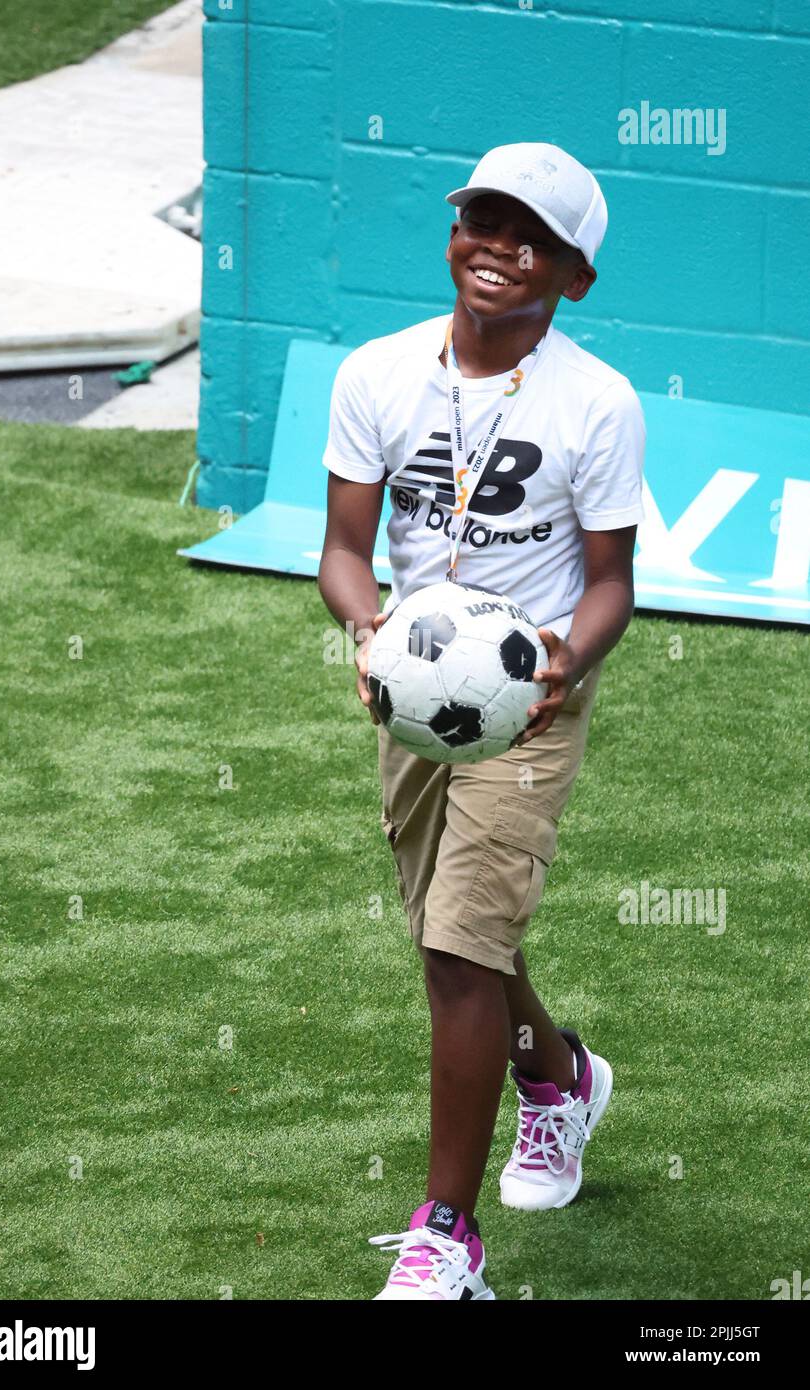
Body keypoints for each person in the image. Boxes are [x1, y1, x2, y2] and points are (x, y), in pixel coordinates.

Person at [318, 142, 645, 1301]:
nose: (496, 249)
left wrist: (564, 658)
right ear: (452, 231)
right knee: (446, 931)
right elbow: (343, 554)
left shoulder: (595, 402)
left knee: (458, 950)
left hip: (532, 693)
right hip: (413, 688)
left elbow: (610, 580)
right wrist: (367, 632)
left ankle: (445, 1236)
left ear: (573, 276)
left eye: (531, 238)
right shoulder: (375, 373)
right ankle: (558, 1079)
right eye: (481, 221)